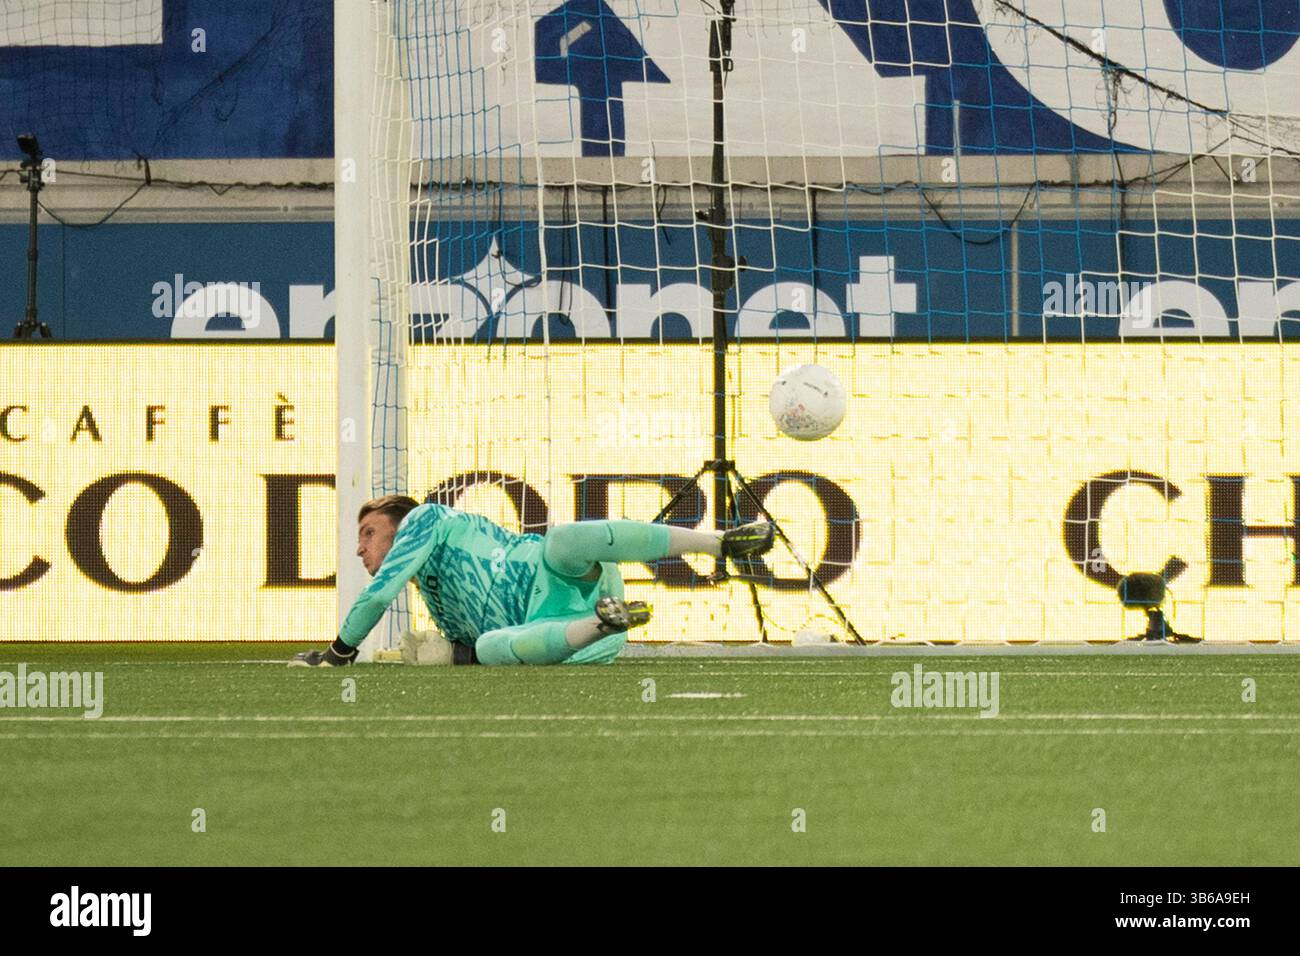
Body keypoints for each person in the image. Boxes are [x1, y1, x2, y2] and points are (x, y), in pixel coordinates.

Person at [290, 494, 774, 667]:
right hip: (571, 637)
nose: (360, 549)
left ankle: (719, 543)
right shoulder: (436, 600)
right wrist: (455, 653)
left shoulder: (425, 519)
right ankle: (607, 622)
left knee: (561, 540)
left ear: (402, 526)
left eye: (369, 533)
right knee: (489, 648)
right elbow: (479, 645)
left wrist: (339, 653)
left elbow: (379, 594)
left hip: (562, 575)